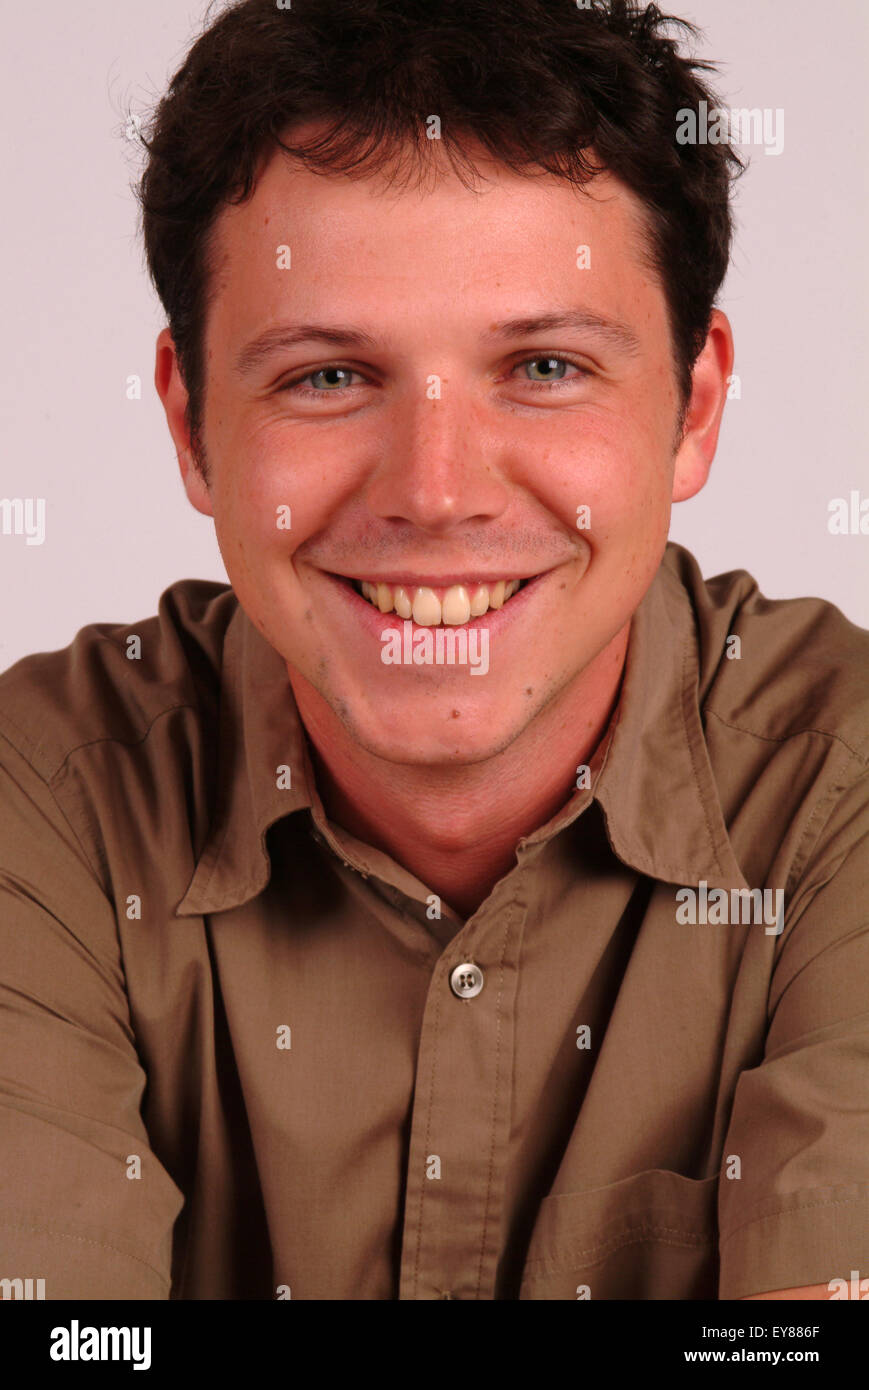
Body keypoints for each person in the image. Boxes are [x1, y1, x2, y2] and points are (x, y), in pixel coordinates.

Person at [0, 0, 866, 1301]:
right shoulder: (41, 801)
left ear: (692, 408)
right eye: (328, 377)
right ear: (191, 426)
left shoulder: (845, 794)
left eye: (545, 367)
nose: (435, 492)